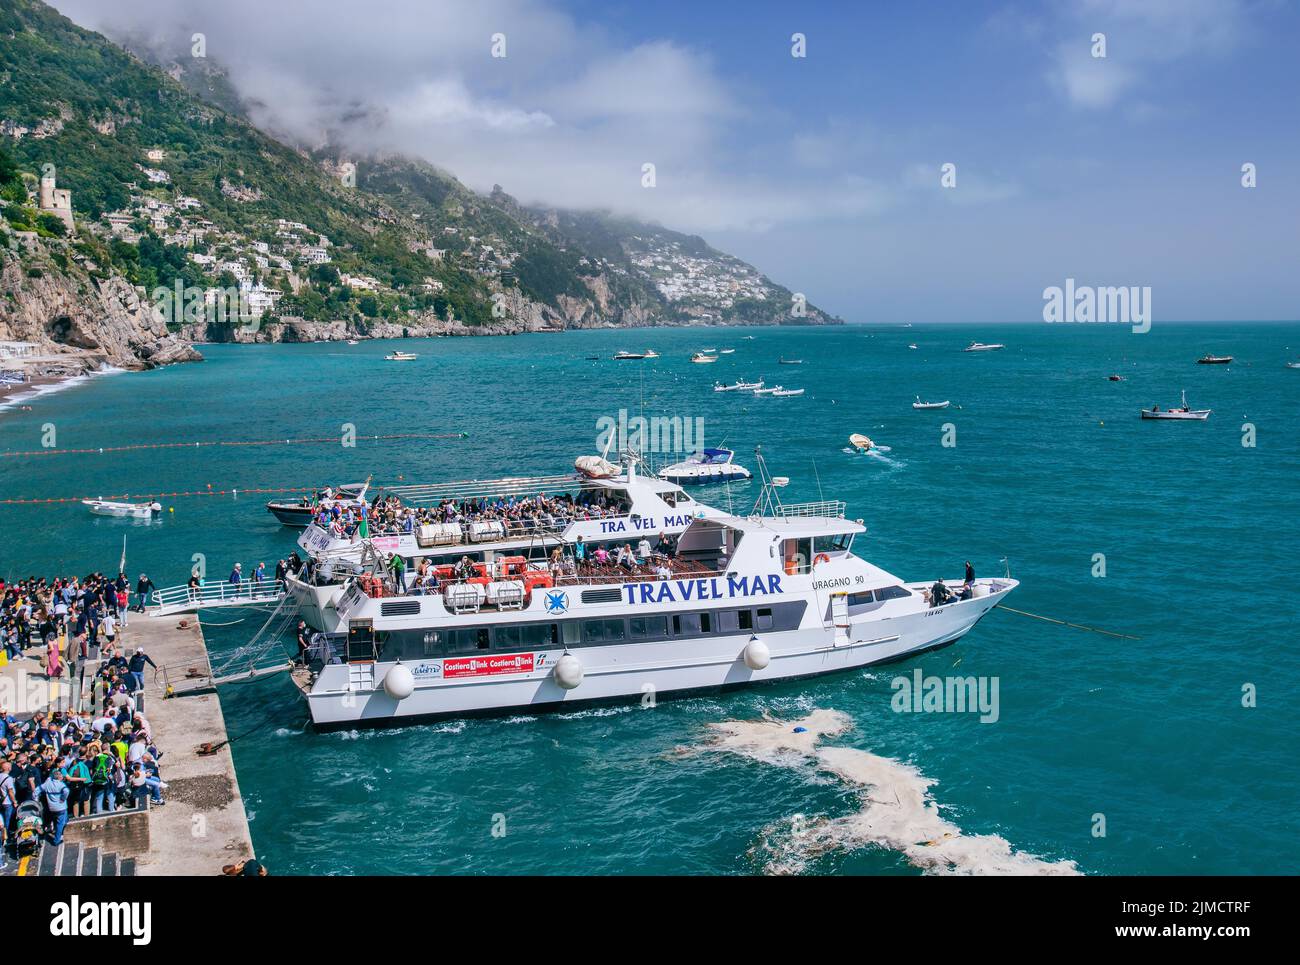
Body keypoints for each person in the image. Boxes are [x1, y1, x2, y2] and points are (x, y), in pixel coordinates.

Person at [39, 767, 70, 845]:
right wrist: (63, 798)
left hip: (52, 807)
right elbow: (66, 791)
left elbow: (37, 790)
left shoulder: (47, 784)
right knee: (61, 823)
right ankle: (57, 840)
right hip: (61, 807)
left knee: (58, 820)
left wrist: (35, 799)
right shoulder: (61, 784)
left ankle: (56, 831)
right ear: (60, 777)